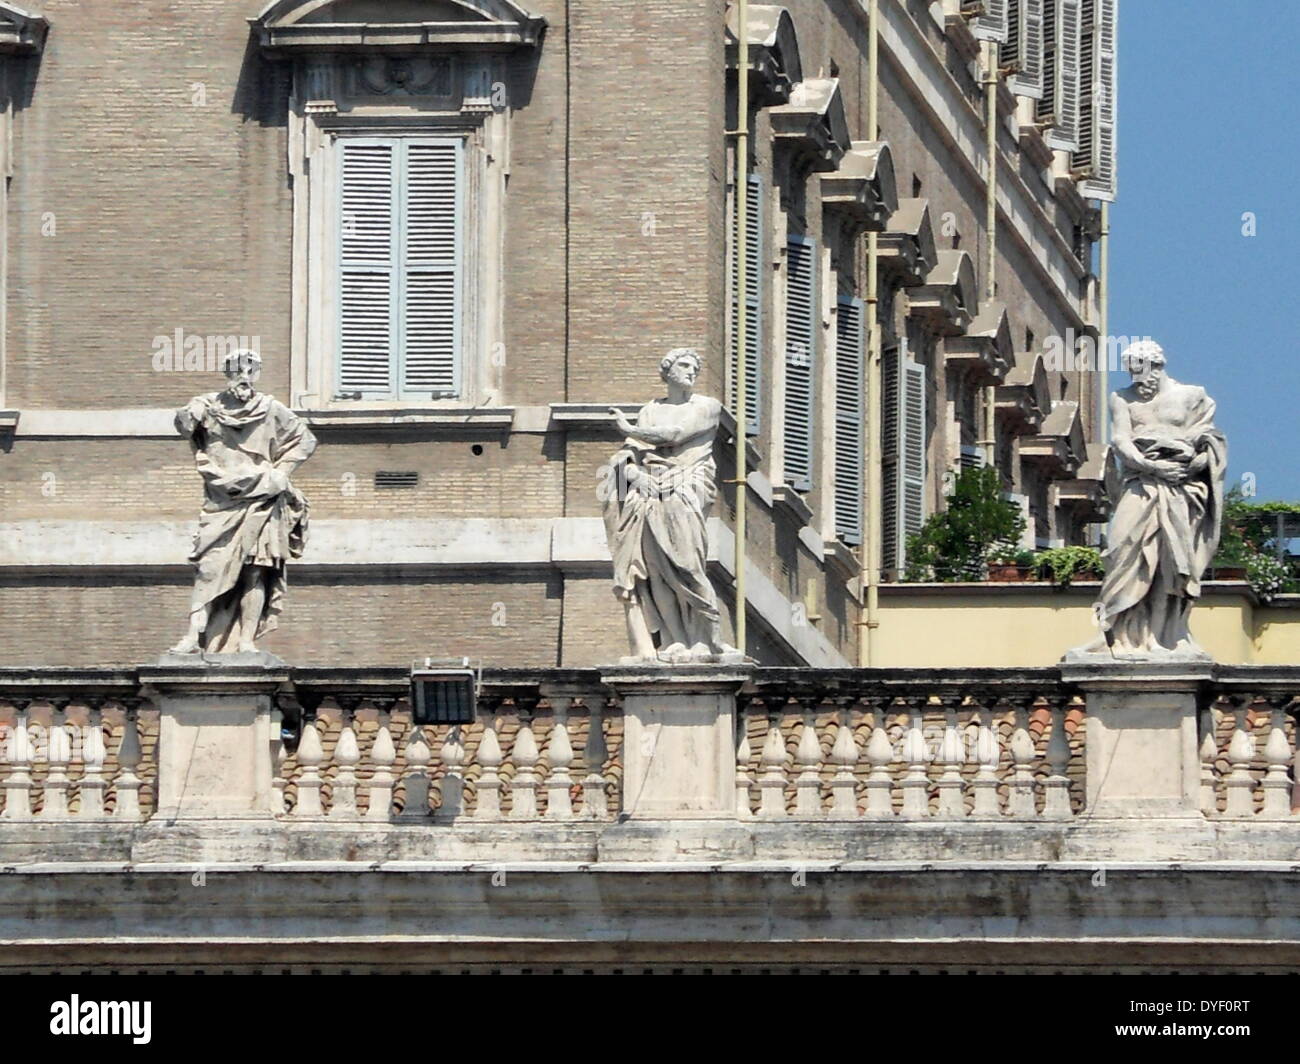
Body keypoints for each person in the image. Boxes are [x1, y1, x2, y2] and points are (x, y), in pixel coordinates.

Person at [1071, 340, 1226, 660]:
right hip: (1140, 484)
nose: (1137, 380)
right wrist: (1151, 465)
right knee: (1122, 549)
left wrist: (1189, 465)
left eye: (1141, 372)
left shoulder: (1192, 396)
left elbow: (1209, 443)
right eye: (1131, 373)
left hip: (1180, 490)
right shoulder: (1122, 398)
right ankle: (1116, 634)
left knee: (1169, 563)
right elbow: (1121, 441)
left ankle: (1164, 637)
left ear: (1157, 366)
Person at [170, 350, 317, 655]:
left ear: (258, 374)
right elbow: (183, 425)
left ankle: (246, 640)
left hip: (262, 496)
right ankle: (193, 635)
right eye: (237, 370)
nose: (244, 376)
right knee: (209, 567)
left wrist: (281, 473)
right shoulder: (209, 406)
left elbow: (306, 440)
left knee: (255, 570)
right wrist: (190, 413)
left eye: (250, 370)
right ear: (227, 374)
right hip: (222, 499)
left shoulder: (270, 408)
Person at [602, 348, 742, 664]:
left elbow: (675, 435)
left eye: (695, 367)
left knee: (687, 564)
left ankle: (707, 637)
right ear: (667, 371)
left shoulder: (707, 407)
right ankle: (674, 639)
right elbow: (628, 455)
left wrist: (629, 428)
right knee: (656, 570)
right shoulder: (650, 410)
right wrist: (635, 475)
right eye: (684, 365)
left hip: (686, 489)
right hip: (651, 492)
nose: (691, 371)